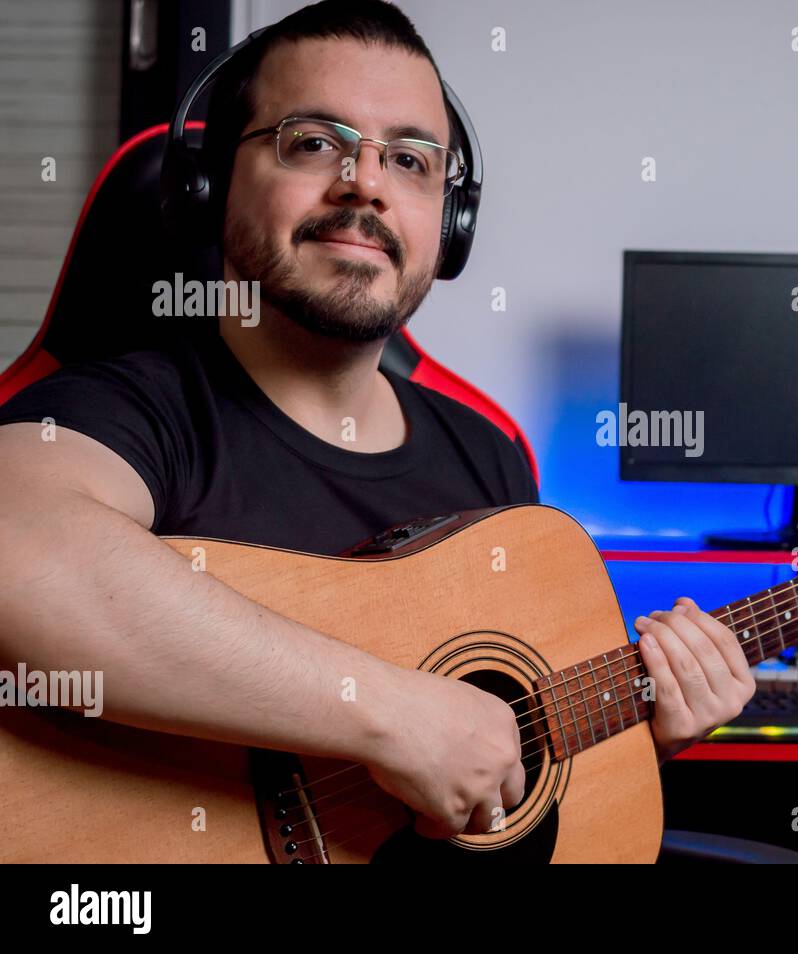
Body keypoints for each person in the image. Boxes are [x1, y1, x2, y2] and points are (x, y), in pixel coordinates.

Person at [0, 0, 755, 843]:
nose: (366, 183)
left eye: (410, 159)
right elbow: (19, 553)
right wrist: (391, 714)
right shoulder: (122, 409)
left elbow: (498, 786)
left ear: (450, 225)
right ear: (207, 186)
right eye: (314, 142)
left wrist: (639, 743)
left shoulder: (491, 457)